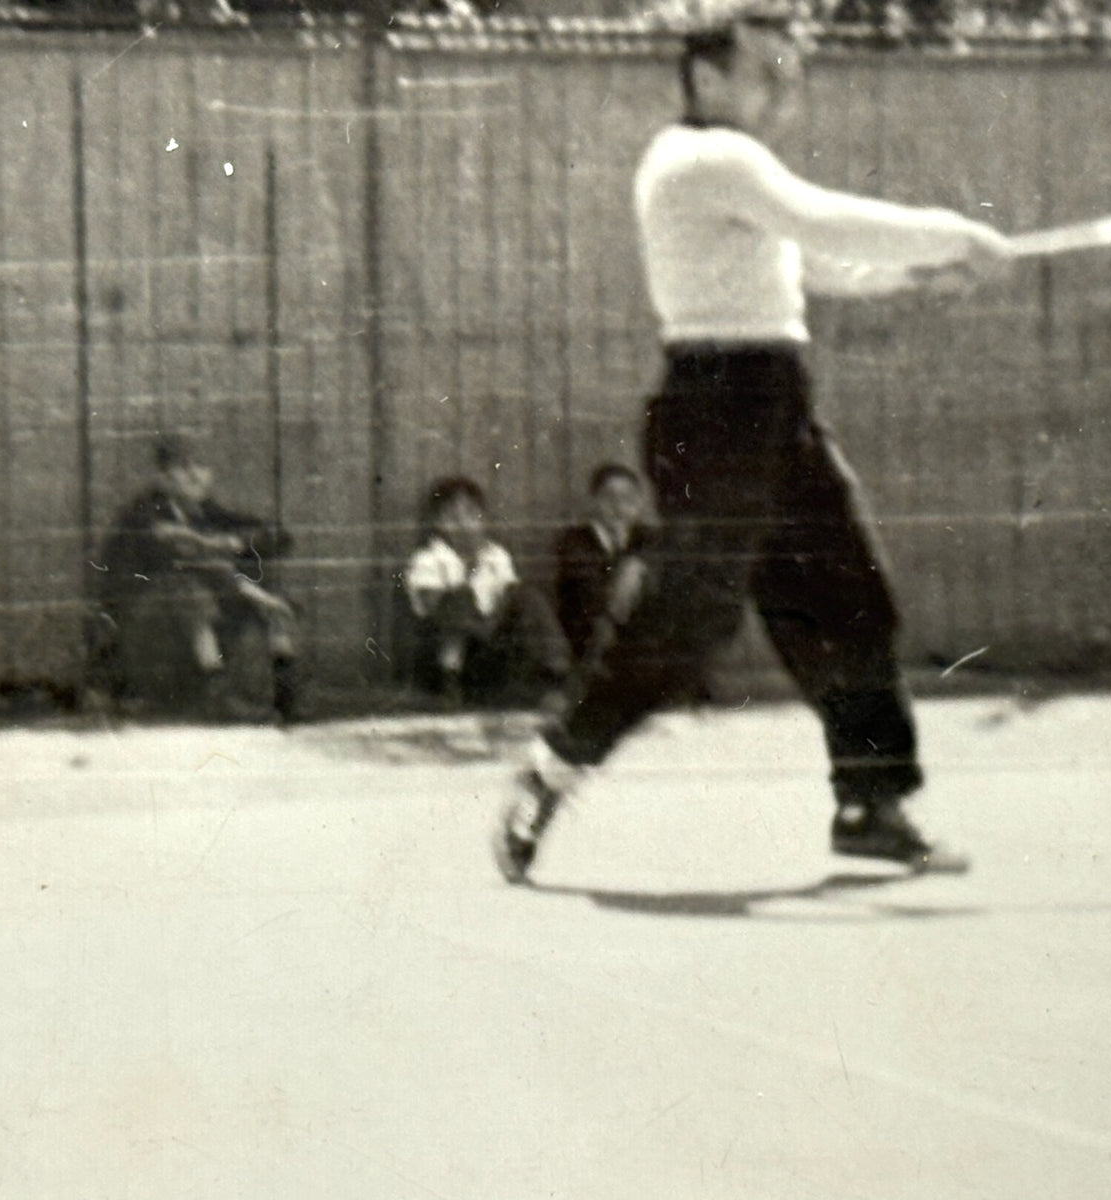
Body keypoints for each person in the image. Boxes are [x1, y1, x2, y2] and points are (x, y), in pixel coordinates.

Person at [492, 6, 1013, 883]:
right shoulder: (702, 158)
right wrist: (955, 231)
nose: (784, 92)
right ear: (705, 78)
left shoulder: (739, 173)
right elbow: (819, 221)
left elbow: (817, 268)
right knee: (689, 618)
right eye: (766, 72)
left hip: (776, 404)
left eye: (791, 74)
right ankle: (553, 765)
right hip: (716, 408)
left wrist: (924, 272)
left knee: (848, 591)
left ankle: (870, 802)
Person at [90, 434, 298, 720]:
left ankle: (283, 690)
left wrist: (236, 543)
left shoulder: (203, 511)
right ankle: (217, 694)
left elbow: (277, 537)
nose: (195, 476)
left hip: (184, 636)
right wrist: (224, 554)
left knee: (264, 585)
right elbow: (189, 560)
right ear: (162, 477)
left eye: (201, 467)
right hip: (139, 635)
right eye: (183, 467)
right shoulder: (144, 513)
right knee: (184, 588)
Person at [403, 476, 572, 708]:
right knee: (459, 598)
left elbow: (509, 599)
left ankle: (556, 674)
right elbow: (433, 608)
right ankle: (451, 686)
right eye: (452, 517)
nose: (463, 523)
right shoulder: (428, 559)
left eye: (472, 515)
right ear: (438, 524)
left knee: (527, 596)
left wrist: (494, 620)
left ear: (483, 519)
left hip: (490, 649)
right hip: (447, 660)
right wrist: (470, 573)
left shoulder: (496, 554)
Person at [554, 462, 653, 678]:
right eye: (610, 498)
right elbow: (588, 597)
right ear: (594, 501)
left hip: (637, 632)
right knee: (631, 570)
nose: (619, 507)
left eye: (628, 499)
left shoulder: (647, 537)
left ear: (638, 504)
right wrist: (624, 562)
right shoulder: (575, 540)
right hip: (590, 634)